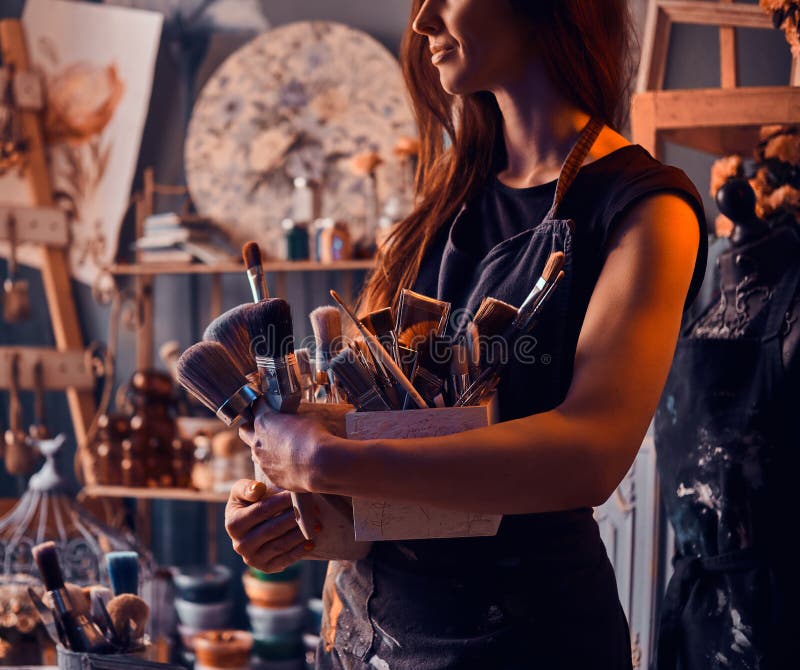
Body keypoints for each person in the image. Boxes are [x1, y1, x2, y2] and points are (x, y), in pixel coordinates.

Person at [225, 1, 708, 668]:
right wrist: (295, 509)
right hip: (360, 640)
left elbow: (589, 455)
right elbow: (369, 431)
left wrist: (328, 462)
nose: (422, 21)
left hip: (524, 642)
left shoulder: (647, 209)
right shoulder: (439, 205)